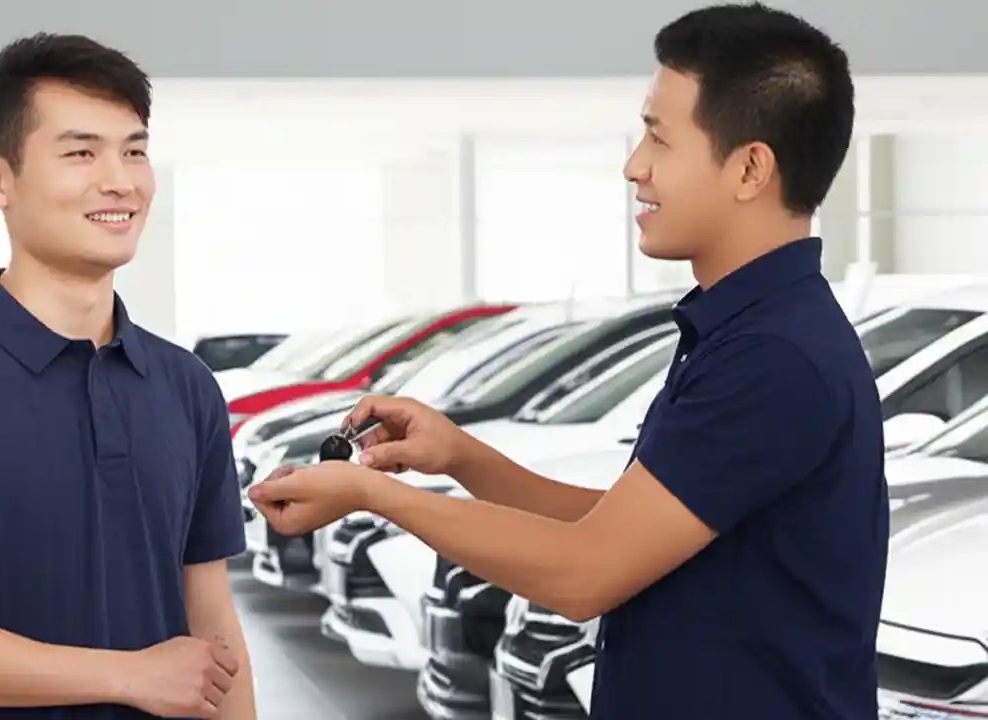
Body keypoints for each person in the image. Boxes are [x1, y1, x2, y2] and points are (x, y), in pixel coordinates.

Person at [250, 4, 885, 719]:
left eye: (658, 138)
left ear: (749, 168)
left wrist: (371, 494)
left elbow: (586, 574)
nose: (633, 166)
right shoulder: (747, 331)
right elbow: (617, 529)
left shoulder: (774, 356)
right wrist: (460, 457)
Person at [0, 33, 255, 720]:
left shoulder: (186, 386)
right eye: (80, 152)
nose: (120, 180)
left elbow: (212, 625)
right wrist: (128, 677)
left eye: (134, 150)